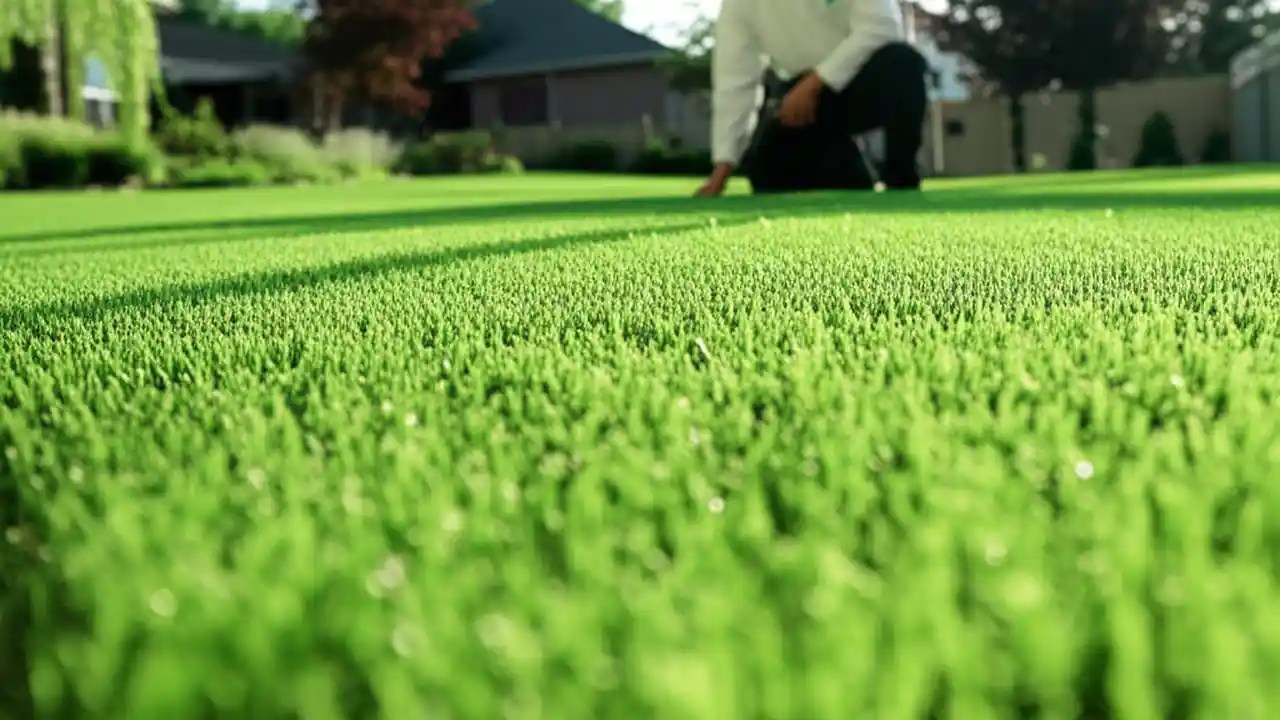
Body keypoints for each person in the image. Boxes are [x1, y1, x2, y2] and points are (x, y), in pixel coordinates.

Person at [696, 0, 930, 197]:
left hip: (864, 77)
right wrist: (722, 170)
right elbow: (735, 81)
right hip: (800, 100)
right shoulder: (738, 5)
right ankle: (855, 175)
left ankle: (902, 181)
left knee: (905, 64)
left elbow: (883, 27)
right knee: (767, 176)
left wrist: (816, 81)